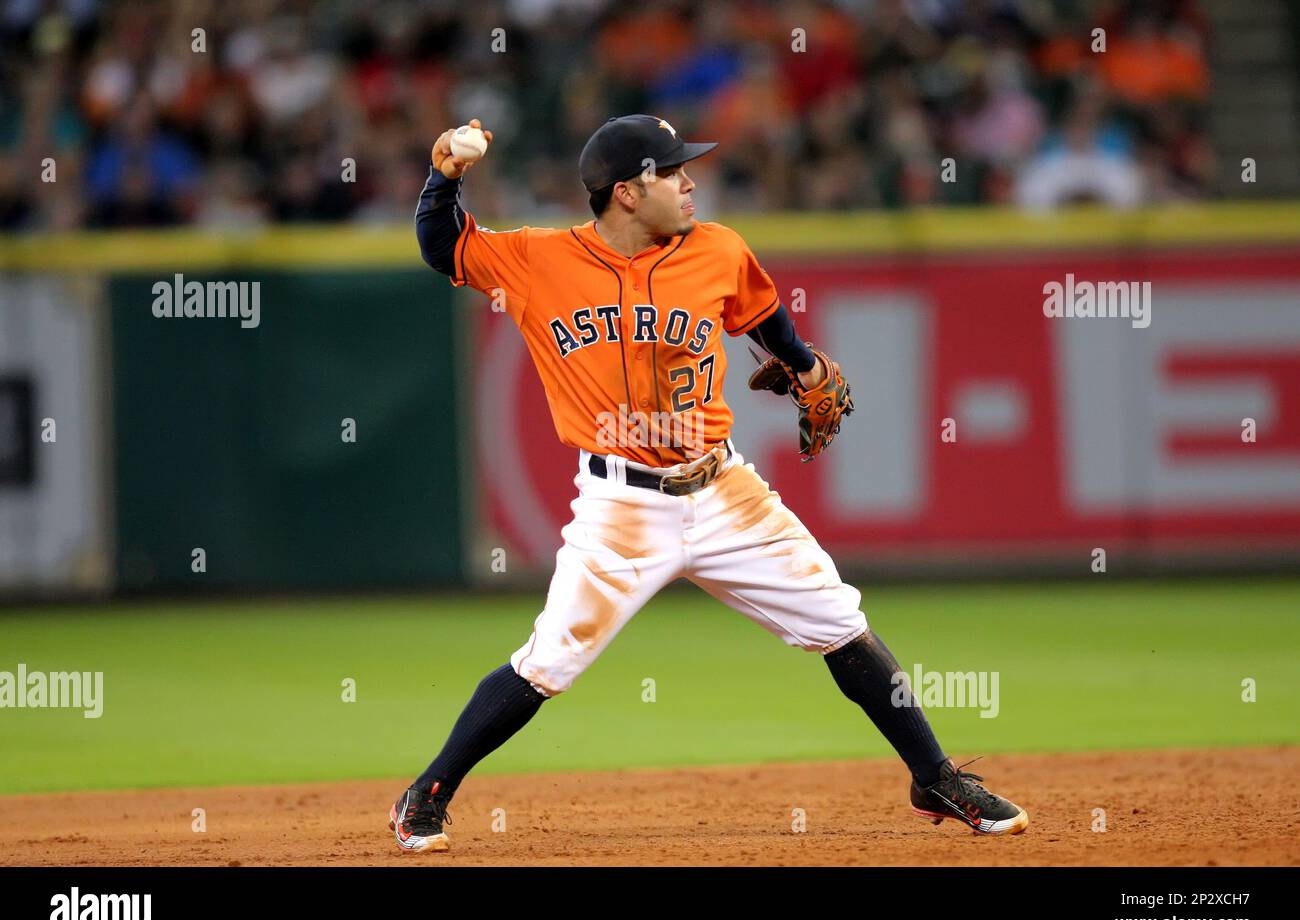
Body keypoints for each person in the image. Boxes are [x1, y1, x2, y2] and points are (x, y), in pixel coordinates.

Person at [394, 115, 1028, 852]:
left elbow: (772, 332)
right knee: (549, 660)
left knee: (839, 620)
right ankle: (426, 793)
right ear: (628, 192)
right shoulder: (540, 259)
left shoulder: (718, 250)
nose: (691, 181)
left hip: (725, 490)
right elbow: (444, 247)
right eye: (673, 171)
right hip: (621, 505)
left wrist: (810, 372)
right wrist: (445, 174)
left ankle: (933, 776)